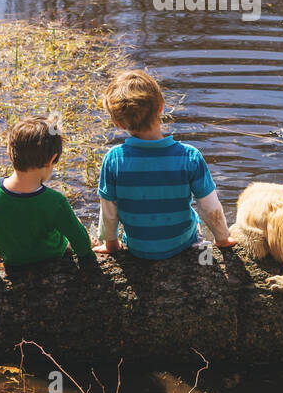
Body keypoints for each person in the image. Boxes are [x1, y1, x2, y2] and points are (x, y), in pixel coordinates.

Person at [95, 69, 234, 259]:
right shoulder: (189, 156)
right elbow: (210, 207)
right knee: (195, 219)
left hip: (138, 248)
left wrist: (111, 244)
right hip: (183, 243)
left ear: (118, 123)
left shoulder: (113, 159)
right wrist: (222, 239)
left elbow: (109, 209)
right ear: (161, 107)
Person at [0, 116, 96, 277]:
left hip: (12, 262)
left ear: (9, 154)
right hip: (54, 259)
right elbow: (81, 246)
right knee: (75, 224)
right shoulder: (55, 201)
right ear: (52, 160)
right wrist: (86, 244)